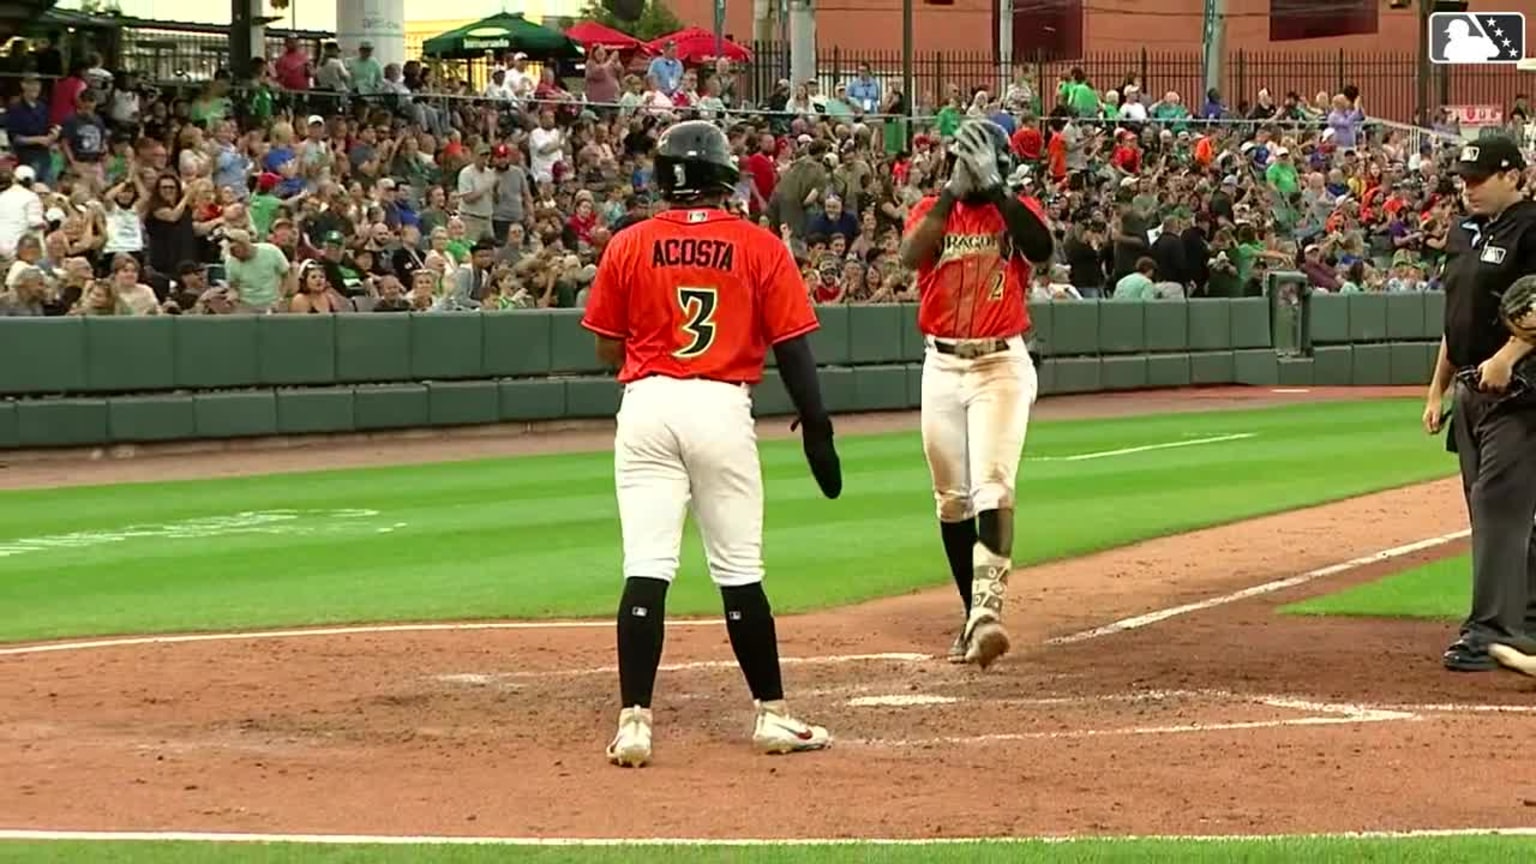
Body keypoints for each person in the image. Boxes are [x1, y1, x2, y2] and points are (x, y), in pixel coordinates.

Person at [580, 120, 842, 769]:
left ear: (662, 178)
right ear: (726, 176)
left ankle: (635, 723)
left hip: (646, 404)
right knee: (738, 569)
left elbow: (606, 344)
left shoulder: (628, 243)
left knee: (647, 565)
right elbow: (793, 348)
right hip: (721, 404)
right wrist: (817, 424)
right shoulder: (757, 246)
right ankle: (772, 716)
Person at [898, 118, 1054, 669]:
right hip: (941, 363)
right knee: (951, 499)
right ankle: (973, 616)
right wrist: (950, 193)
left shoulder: (1014, 210)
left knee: (992, 486)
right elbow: (910, 255)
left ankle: (989, 611)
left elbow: (1042, 247)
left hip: (999, 363)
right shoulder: (931, 211)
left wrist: (998, 191)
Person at [1424, 136, 1536, 672]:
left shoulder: (1532, 229)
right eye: (1465, 180)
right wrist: (1436, 387)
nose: (1469, 188)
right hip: (1470, 391)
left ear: (1515, 175)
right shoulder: (1464, 235)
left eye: (1481, 178)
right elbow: (1459, 318)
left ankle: (1489, 632)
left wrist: (1511, 354)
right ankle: (1527, 619)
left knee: (1498, 505)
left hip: (1521, 392)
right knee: (1494, 508)